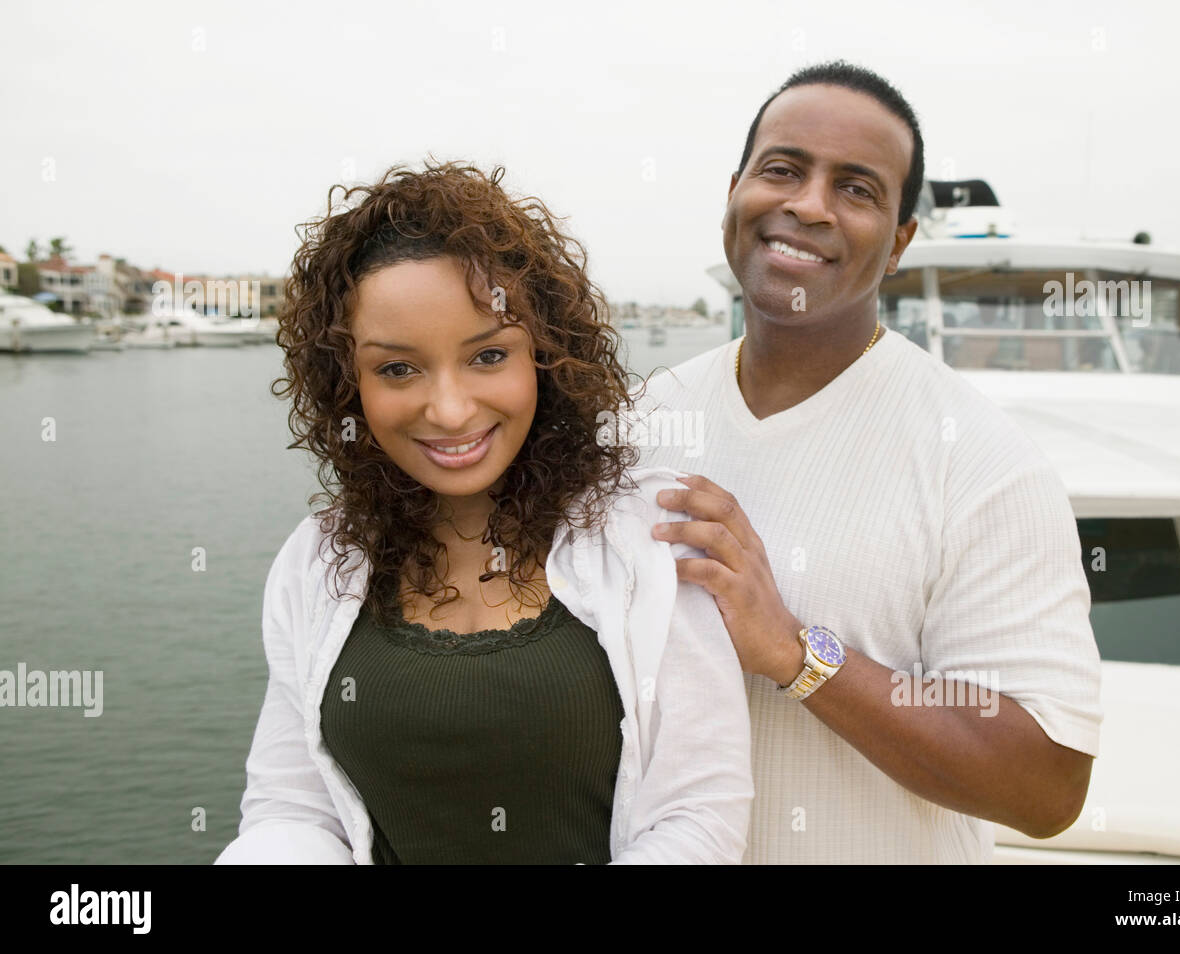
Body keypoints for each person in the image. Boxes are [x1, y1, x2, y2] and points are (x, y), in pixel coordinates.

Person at [215, 159, 752, 865]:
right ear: (348, 385)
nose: (450, 409)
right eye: (398, 368)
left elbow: (698, 818)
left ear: (546, 357)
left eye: (488, 355)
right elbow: (291, 808)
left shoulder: (647, 537)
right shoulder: (317, 560)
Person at [635, 61, 1103, 863]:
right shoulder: (641, 419)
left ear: (899, 244)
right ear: (733, 193)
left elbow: (1047, 786)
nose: (808, 205)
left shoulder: (982, 462)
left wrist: (794, 653)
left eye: (857, 189)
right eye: (782, 169)